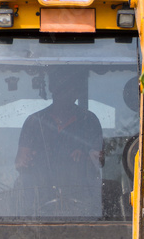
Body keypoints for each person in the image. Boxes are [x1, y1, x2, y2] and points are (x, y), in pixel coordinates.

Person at [15, 67, 104, 216]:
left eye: (71, 88)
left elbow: (100, 160)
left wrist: (86, 156)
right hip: (38, 206)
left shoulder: (89, 121)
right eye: (62, 88)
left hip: (83, 207)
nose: (66, 93)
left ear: (77, 92)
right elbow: (19, 163)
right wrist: (28, 160)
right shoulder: (34, 122)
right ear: (52, 89)